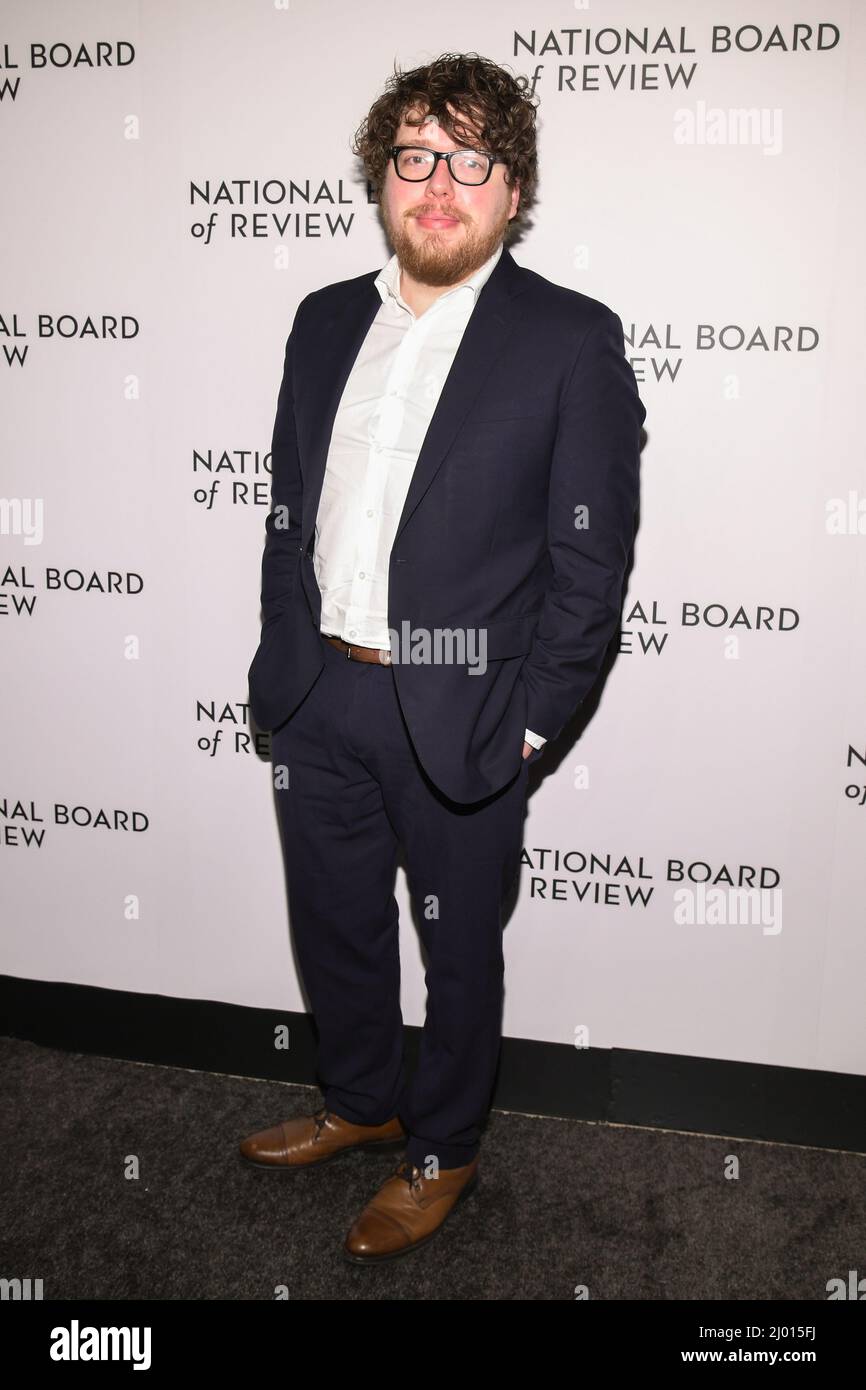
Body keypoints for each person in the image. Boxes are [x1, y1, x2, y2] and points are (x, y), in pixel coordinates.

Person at [240, 52, 645, 1264]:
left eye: (470, 161)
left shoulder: (569, 340)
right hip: (320, 694)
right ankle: (362, 1101)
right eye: (416, 154)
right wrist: (281, 661)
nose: (438, 183)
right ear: (384, 175)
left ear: (508, 191)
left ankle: (442, 1147)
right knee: (336, 926)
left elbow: (590, 568)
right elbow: (289, 510)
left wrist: (525, 726)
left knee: (457, 947)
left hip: (464, 708)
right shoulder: (322, 323)